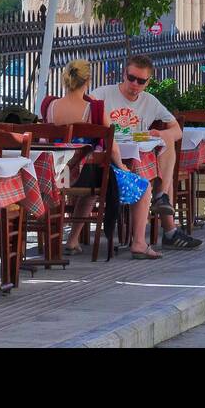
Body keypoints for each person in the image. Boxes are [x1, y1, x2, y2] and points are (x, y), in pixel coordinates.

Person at [43, 59, 158, 259]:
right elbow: (112, 147)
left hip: (57, 175)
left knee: (91, 192)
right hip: (87, 175)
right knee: (144, 186)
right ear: (87, 81)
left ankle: (72, 240)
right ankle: (139, 243)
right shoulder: (94, 109)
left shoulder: (50, 106)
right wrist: (122, 166)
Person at [91, 56, 201, 250]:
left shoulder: (149, 101)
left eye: (141, 81)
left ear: (148, 82)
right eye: (131, 78)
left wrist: (162, 133)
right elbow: (86, 119)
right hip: (108, 160)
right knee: (151, 172)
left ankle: (161, 201)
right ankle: (167, 228)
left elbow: (177, 131)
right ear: (124, 74)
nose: (135, 84)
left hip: (136, 157)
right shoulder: (103, 94)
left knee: (164, 144)